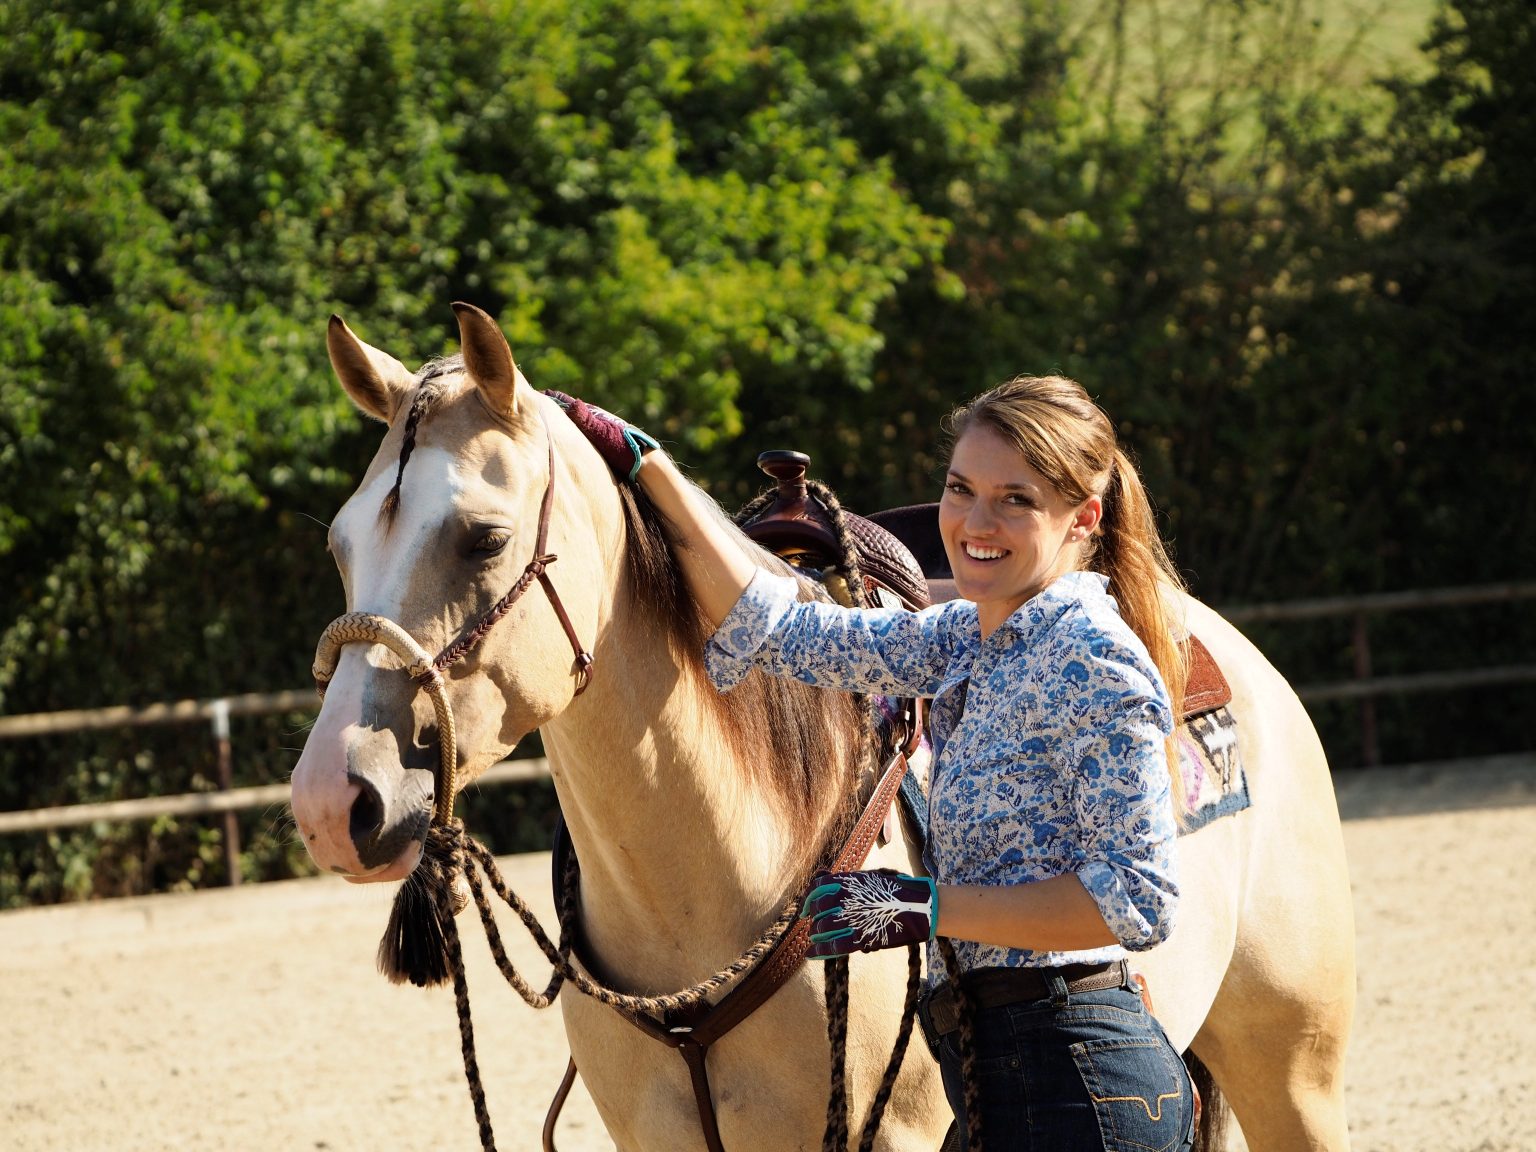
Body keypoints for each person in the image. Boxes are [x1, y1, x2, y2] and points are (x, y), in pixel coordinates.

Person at [550, 375, 1197, 1152]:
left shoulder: (1093, 659)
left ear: (1083, 518)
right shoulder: (966, 636)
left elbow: (1139, 899)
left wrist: (925, 908)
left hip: (1077, 1075)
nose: (975, 522)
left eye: (1015, 500)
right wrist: (644, 463)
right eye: (961, 490)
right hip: (1001, 1064)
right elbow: (780, 628)